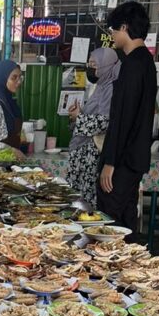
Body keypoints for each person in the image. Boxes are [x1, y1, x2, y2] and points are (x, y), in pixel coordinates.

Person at [97, 1, 157, 230]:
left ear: (124, 27)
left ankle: (112, 263)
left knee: (110, 219)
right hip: (134, 157)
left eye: (113, 29)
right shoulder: (146, 62)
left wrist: (110, 162)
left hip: (124, 160)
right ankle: (132, 262)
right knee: (126, 216)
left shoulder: (132, 65)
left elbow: (124, 117)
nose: (111, 35)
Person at [64, 47, 120, 208]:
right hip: (82, 153)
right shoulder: (100, 87)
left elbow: (105, 122)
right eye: (89, 63)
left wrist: (79, 118)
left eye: (94, 64)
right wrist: (79, 114)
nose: (90, 68)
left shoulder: (111, 89)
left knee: (86, 203)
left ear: (107, 64)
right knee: (75, 201)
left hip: (92, 155)